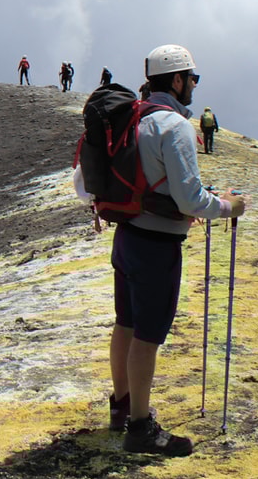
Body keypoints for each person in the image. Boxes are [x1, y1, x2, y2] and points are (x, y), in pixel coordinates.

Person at [103, 44, 247, 457]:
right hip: (157, 244)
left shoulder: (131, 117)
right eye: (192, 79)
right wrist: (227, 206)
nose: (195, 87)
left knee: (126, 322)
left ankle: (122, 406)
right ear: (178, 79)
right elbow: (188, 200)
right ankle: (141, 429)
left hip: (127, 236)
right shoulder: (174, 126)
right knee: (148, 334)